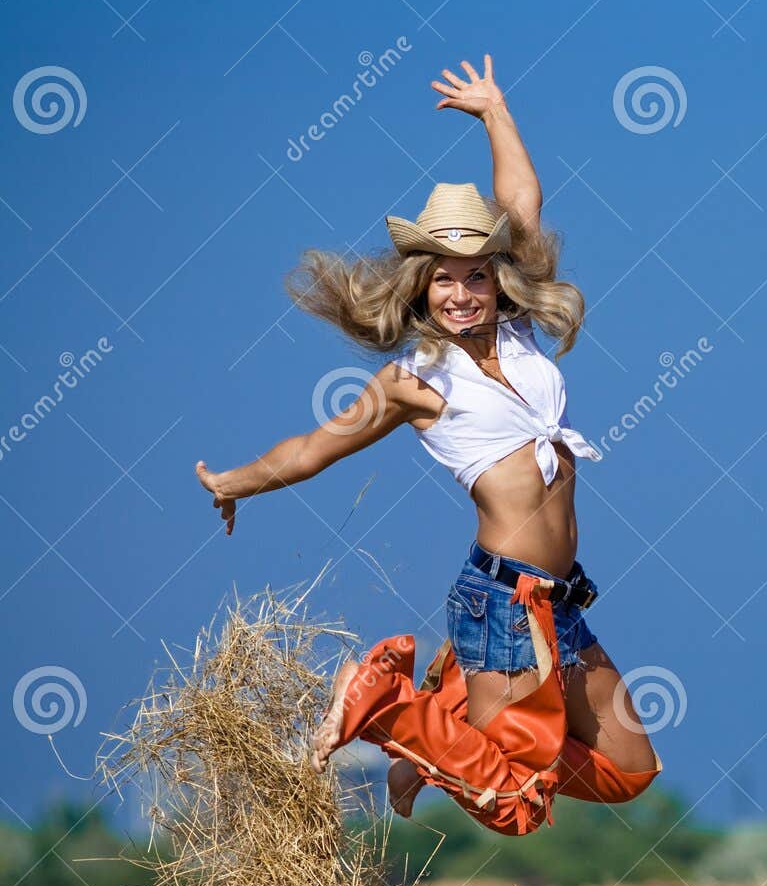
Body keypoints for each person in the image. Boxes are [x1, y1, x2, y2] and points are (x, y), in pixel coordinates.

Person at [195, 56, 660, 835]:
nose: (461, 293)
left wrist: (496, 113)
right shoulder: (416, 381)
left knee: (629, 768)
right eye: (444, 279)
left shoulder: (518, 334)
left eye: (476, 276)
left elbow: (523, 203)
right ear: (421, 286)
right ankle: (389, 707)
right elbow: (314, 448)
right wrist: (234, 481)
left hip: (559, 600)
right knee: (516, 805)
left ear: (496, 281)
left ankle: (438, 743)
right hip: (502, 604)